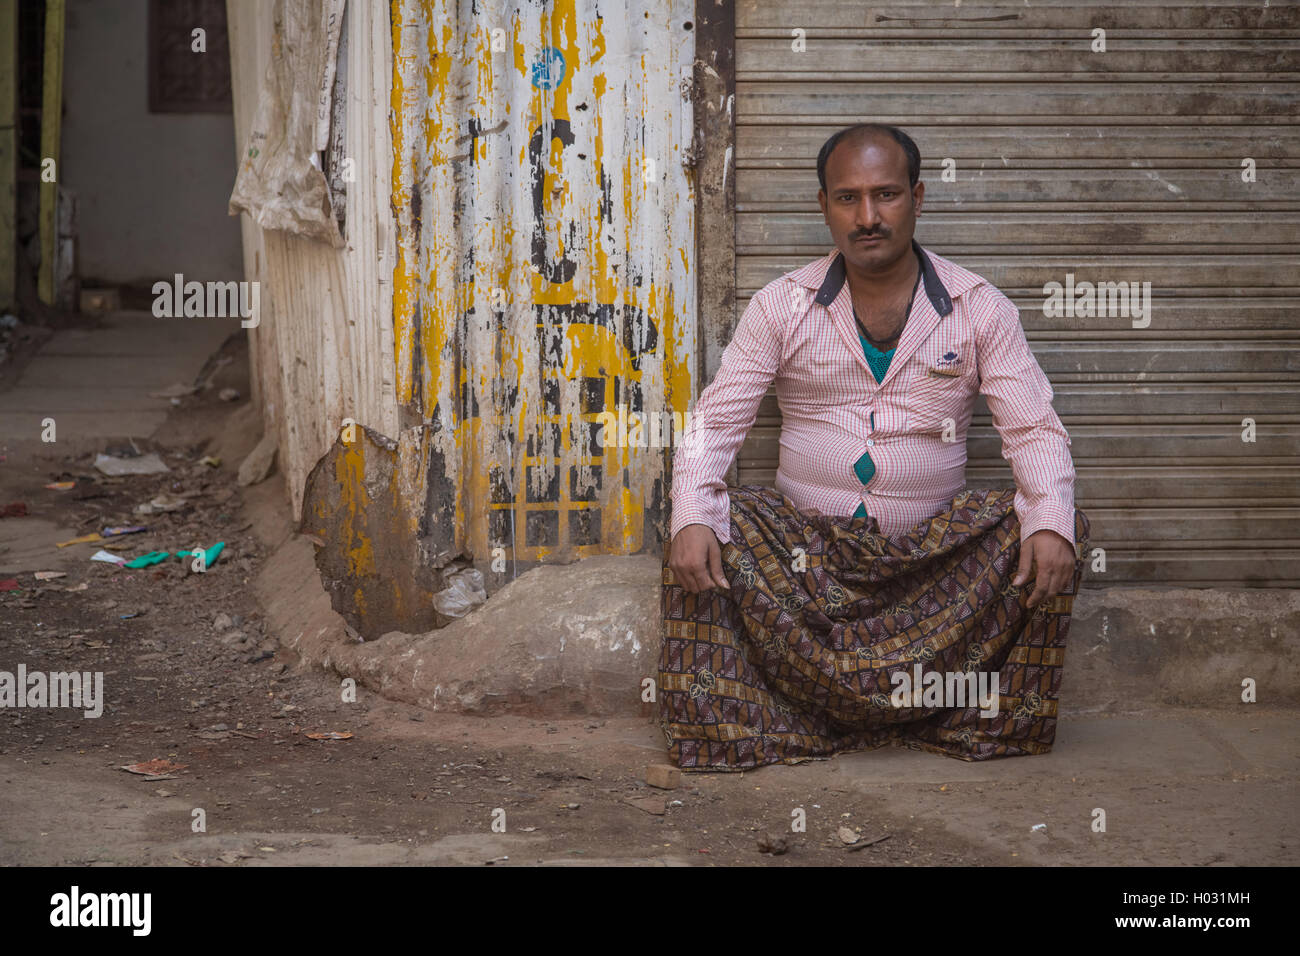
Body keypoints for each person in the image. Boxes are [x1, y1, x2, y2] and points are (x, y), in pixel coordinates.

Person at [659, 123, 1090, 771]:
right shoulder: (783, 305)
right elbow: (715, 424)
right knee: (711, 522)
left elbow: (1032, 430)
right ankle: (753, 724)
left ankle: (968, 722)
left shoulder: (979, 308)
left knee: (1051, 525)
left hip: (928, 567)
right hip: (805, 561)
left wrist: (1051, 522)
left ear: (918, 197)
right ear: (823, 206)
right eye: (847, 198)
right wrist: (691, 514)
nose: (867, 217)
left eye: (885, 195)